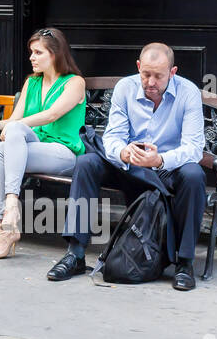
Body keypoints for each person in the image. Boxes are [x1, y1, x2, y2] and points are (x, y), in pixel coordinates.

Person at [47, 42, 207, 291]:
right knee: (87, 163)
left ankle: (184, 263)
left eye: (158, 76)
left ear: (172, 73)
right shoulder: (125, 87)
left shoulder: (189, 93)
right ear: (138, 67)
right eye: (146, 74)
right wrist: (123, 151)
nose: (151, 82)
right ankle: (75, 254)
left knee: (194, 174)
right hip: (130, 168)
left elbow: (194, 148)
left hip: (167, 168)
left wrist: (161, 160)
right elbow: (113, 136)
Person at [0, 28, 86, 259]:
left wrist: (13, 127)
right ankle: (7, 223)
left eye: (38, 52)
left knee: (11, 137)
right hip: (33, 148)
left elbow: (51, 115)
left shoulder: (75, 83)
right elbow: (13, 122)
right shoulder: (32, 83)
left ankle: (9, 214)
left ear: (55, 54)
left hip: (64, 152)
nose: (31, 57)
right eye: (31, 52)